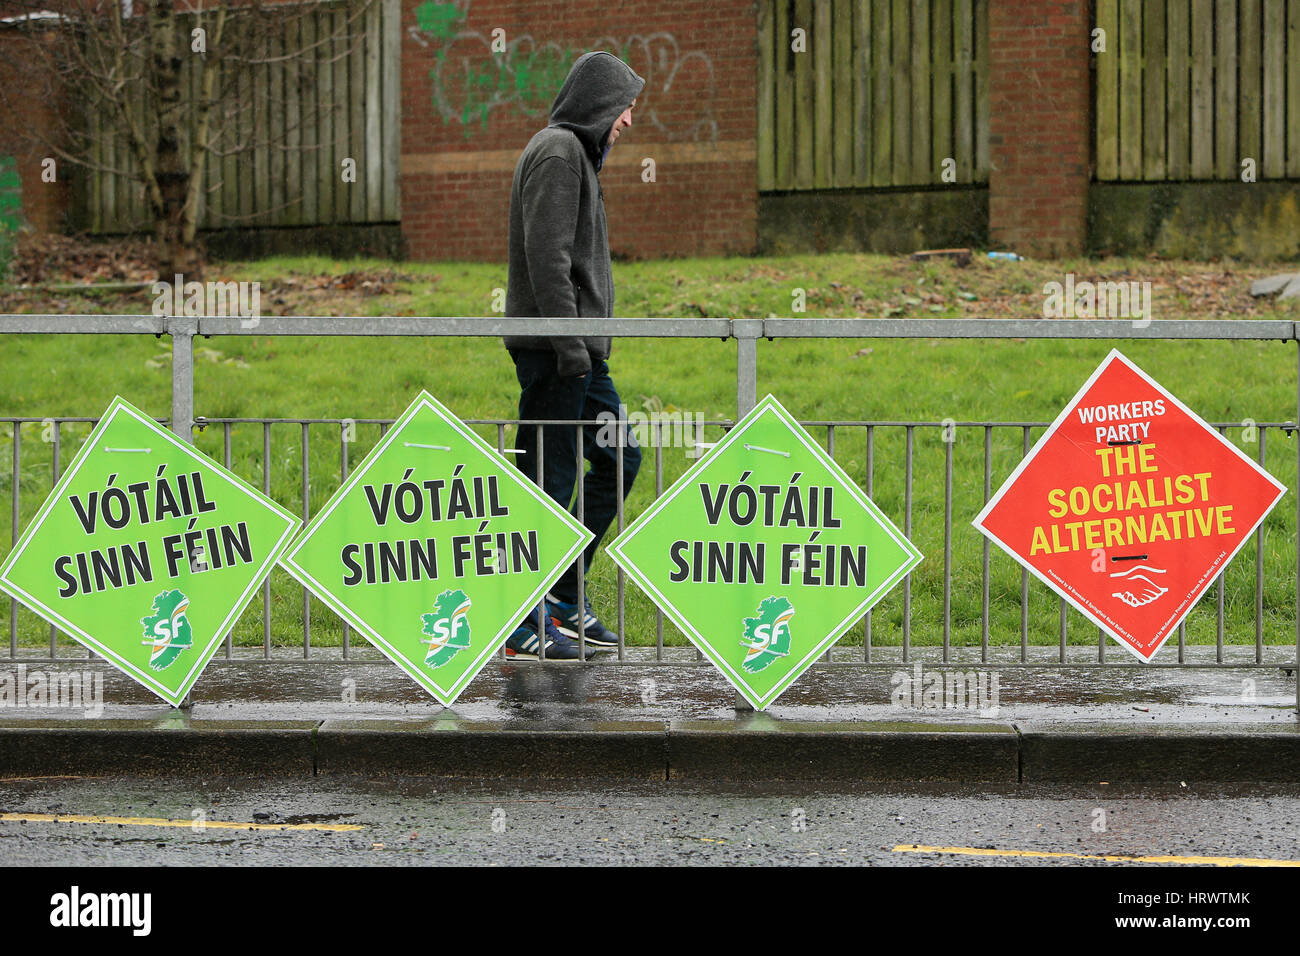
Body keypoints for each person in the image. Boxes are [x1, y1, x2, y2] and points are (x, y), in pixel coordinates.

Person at [502, 51, 645, 660]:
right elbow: (548, 260)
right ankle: (520, 626)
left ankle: (559, 596)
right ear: (599, 105)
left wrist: (585, 353)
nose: (629, 123)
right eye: (626, 109)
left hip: (581, 356)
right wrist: (569, 350)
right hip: (560, 355)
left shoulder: (574, 156)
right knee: (549, 483)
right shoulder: (559, 154)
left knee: (619, 460)